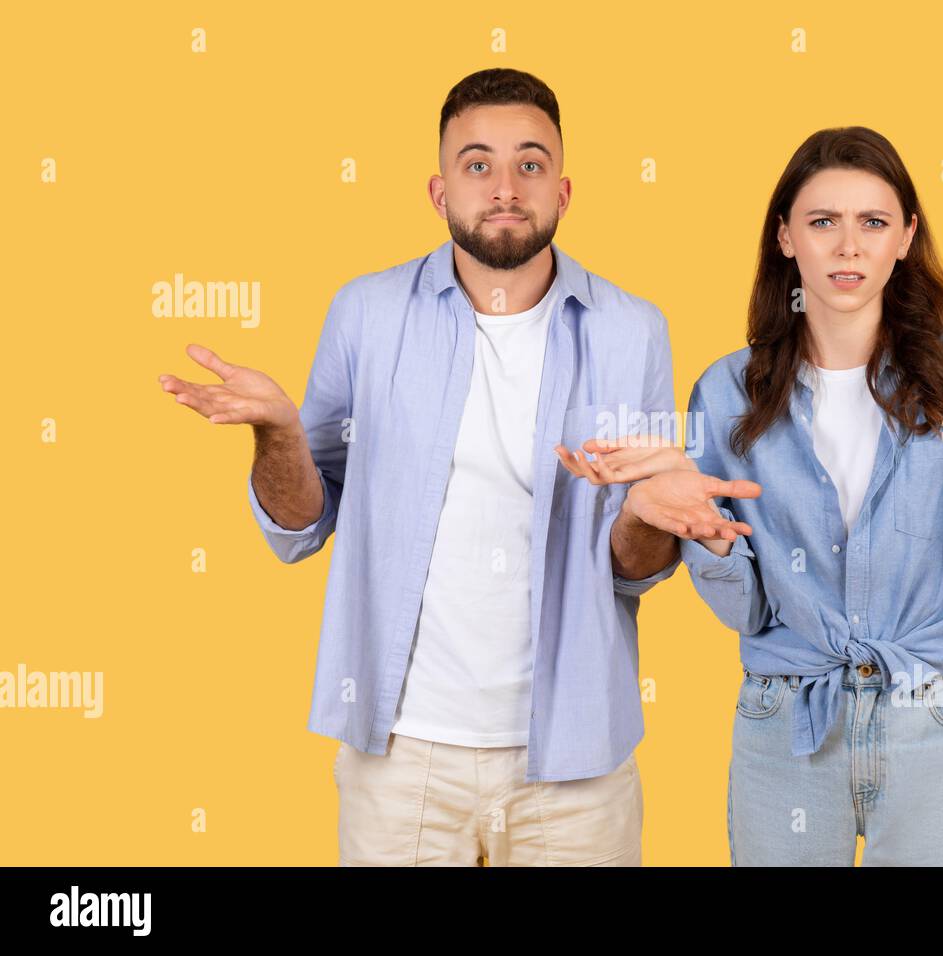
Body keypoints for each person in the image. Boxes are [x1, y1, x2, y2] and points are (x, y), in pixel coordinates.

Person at [157, 68, 723, 866]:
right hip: (401, 755)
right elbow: (301, 527)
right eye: (477, 163)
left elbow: (633, 573)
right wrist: (279, 433)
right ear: (438, 190)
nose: (504, 187)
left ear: (563, 191)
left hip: (576, 758)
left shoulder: (634, 330)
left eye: (529, 164)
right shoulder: (364, 312)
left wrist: (645, 516)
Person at [563, 126, 943, 866]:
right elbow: (744, 608)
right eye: (823, 223)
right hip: (785, 723)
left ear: (906, 237)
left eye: (873, 223)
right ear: (785, 238)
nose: (849, 248)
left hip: (932, 721)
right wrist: (698, 516)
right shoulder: (725, 391)